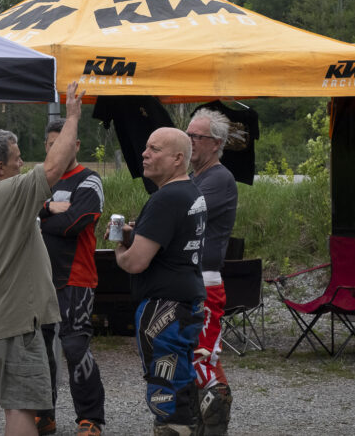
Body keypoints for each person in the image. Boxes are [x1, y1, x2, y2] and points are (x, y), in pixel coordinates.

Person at [0, 81, 84, 436]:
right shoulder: (6, 195)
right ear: (0, 169)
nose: (23, 163)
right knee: (20, 409)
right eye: (17, 157)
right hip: (10, 326)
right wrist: (72, 115)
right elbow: (54, 167)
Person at [115, 127, 207, 436]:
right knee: (180, 381)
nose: (145, 154)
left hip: (164, 309)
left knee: (166, 387)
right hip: (184, 302)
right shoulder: (190, 192)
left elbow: (135, 262)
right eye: (146, 147)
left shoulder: (166, 198)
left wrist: (120, 249)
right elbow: (171, 242)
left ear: (178, 159)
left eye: (154, 149)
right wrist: (136, 233)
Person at [36, 118, 106, 435]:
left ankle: (90, 418)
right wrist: (50, 207)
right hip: (39, 280)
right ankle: (43, 413)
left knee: (75, 349)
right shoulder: (40, 181)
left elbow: (73, 224)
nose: (56, 149)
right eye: (51, 145)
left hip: (76, 279)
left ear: (75, 145)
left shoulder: (89, 181)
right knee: (38, 349)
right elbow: (21, 218)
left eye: (62, 143)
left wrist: (41, 215)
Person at [186, 108, 238, 436]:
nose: (188, 141)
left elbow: (184, 216)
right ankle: (197, 424)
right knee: (192, 360)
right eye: (187, 134)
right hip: (191, 280)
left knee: (203, 359)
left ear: (215, 143)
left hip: (205, 282)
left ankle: (214, 427)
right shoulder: (197, 177)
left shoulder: (218, 178)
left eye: (196, 137)